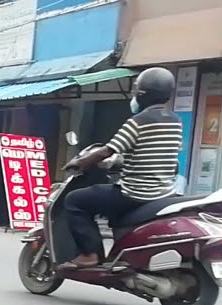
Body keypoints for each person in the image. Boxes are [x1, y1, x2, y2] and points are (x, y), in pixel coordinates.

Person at [61, 67, 184, 269]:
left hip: (135, 193)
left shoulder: (137, 122)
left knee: (75, 200)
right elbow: (151, 153)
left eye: (136, 91)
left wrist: (79, 163)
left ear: (143, 94)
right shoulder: (175, 122)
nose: (134, 95)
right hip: (163, 192)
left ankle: (90, 253)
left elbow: (107, 151)